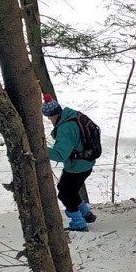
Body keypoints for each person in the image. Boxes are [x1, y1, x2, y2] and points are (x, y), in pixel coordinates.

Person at [42, 95, 98, 232]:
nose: (50, 120)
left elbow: (60, 154)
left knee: (65, 194)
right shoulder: (71, 115)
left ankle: (79, 223)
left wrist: (40, 148)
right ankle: (86, 214)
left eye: (49, 117)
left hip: (77, 166)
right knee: (68, 189)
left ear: (52, 115)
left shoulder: (65, 129)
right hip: (86, 162)